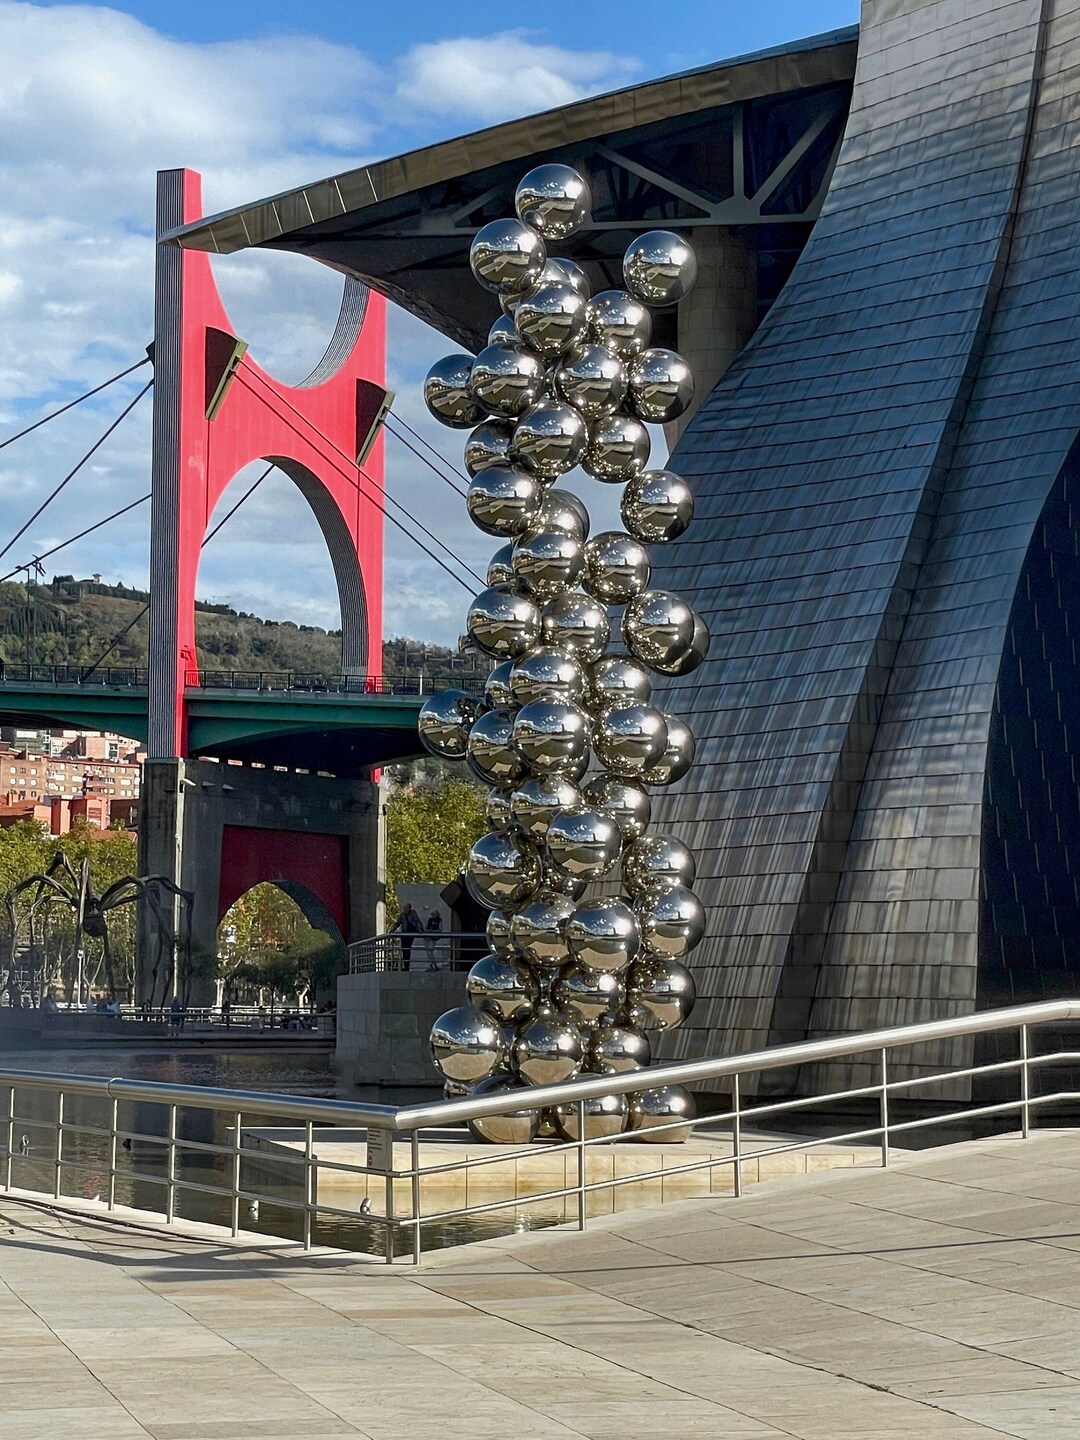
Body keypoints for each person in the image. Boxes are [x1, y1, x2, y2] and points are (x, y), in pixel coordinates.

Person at [392, 903, 423, 969]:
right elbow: (398, 923)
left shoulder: (413, 913)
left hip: (410, 933)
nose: (405, 909)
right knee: (404, 949)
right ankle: (406, 965)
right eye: (404, 908)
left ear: (409, 908)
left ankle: (407, 965)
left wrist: (420, 929)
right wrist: (392, 930)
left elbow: (417, 921)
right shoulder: (402, 915)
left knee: (407, 948)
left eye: (406, 908)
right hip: (404, 933)